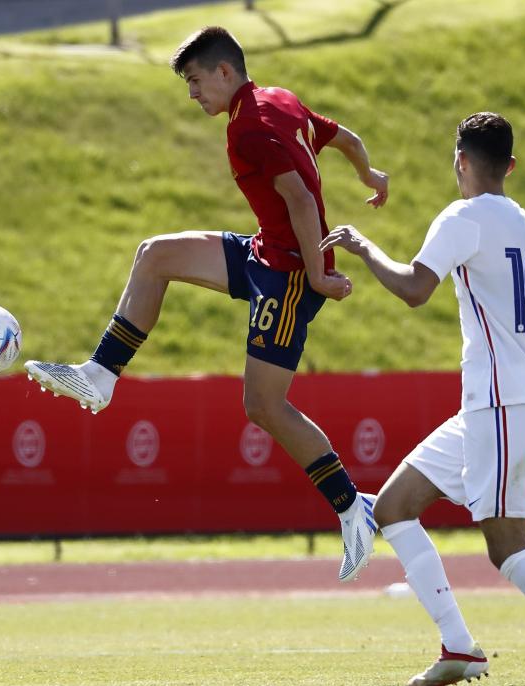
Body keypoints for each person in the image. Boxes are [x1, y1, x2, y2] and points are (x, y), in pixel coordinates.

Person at [24, 26, 387, 582]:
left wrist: (318, 275)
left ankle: (350, 507)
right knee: (154, 255)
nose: (192, 93)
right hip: (265, 254)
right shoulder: (278, 100)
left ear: (225, 72)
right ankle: (100, 374)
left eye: (195, 81)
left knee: (263, 406)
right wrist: (369, 174)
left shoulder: (251, 127)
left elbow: (298, 199)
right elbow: (341, 137)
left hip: (289, 275)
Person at [322, 112, 525, 686]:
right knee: (395, 505)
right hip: (498, 402)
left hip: (499, 401)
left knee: (507, 547)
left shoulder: (463, 216)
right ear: (512, 166)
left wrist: (365, 248)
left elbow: (415, 290)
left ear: (460, 162)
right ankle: (459, 647)